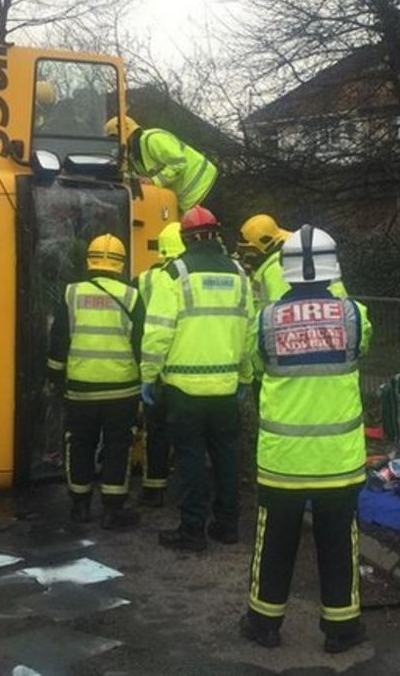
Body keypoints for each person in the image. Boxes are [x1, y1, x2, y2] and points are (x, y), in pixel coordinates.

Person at [240, 225, 372, 654]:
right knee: (338, 543)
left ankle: (263, 625)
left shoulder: (265, 320)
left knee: (274, 544)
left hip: (284, 461)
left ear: (286, 270)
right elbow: (361, 350)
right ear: (333, 269)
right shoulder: (354, 315)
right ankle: (342, 630)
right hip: (338, 459)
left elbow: (256, 365)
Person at [139, 205, 254, 551]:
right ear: (217, 234)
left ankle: (193, 532)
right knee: (226, 457)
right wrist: (245, 377)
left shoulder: (174, 274)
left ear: (186, 239)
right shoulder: (239, 273)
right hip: (226, 388)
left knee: (190, 459)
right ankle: (227, 526)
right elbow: (248, 330)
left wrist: (148, 375)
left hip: (184, 389)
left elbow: (158, 332)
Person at [47, 233, 144, 530]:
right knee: (118, 445)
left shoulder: (71, 293)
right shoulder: (132, 296)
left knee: (80, 444)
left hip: (81, 388)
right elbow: (141, 343)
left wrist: (55, 376)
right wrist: (146, 382)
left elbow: (59, 339)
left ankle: (80, 506)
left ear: (89, 261)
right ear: (120, 264)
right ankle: (112, 510)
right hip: (122, 388)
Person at [135, 222, 185, 508]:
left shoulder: (145, 279)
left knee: (156, 431)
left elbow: (145, 328)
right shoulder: (190, 278)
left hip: (156, 367)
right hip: (184, 369)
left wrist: (147, 373)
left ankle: (154, 488)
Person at [105, 116, 219, 215]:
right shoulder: (135, 157)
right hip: (188, 199)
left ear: (126, 134)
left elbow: (179, 164)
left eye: (116, 140)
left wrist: (153, 181)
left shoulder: (153, 139)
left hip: (204, 185)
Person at [237, 214, 349, 312]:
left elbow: (282, 311)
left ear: (261, 247)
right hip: (336, 315)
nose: (244, 256)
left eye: (248, 250)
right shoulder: (290, 258)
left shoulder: (276, 269)